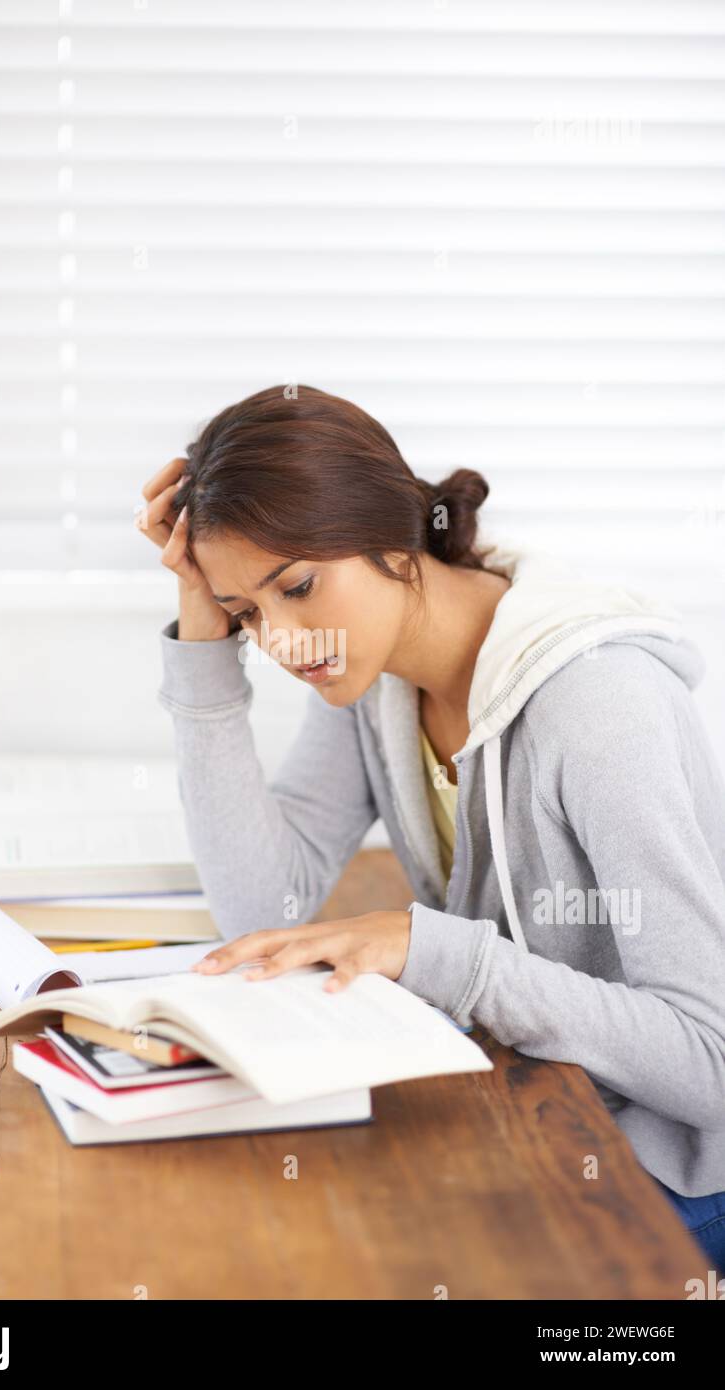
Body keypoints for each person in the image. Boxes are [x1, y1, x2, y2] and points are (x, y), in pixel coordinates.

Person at [137, 383, 725, 1274]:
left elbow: (708, 1065)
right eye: (252, 614)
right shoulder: (371, 677)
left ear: (387, 535)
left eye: (297, 586)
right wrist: (202, 636)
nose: (286, 642)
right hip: (534, 1121)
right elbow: (261, 903)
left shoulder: (600, 707)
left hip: (678, 1177)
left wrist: (437, 952)